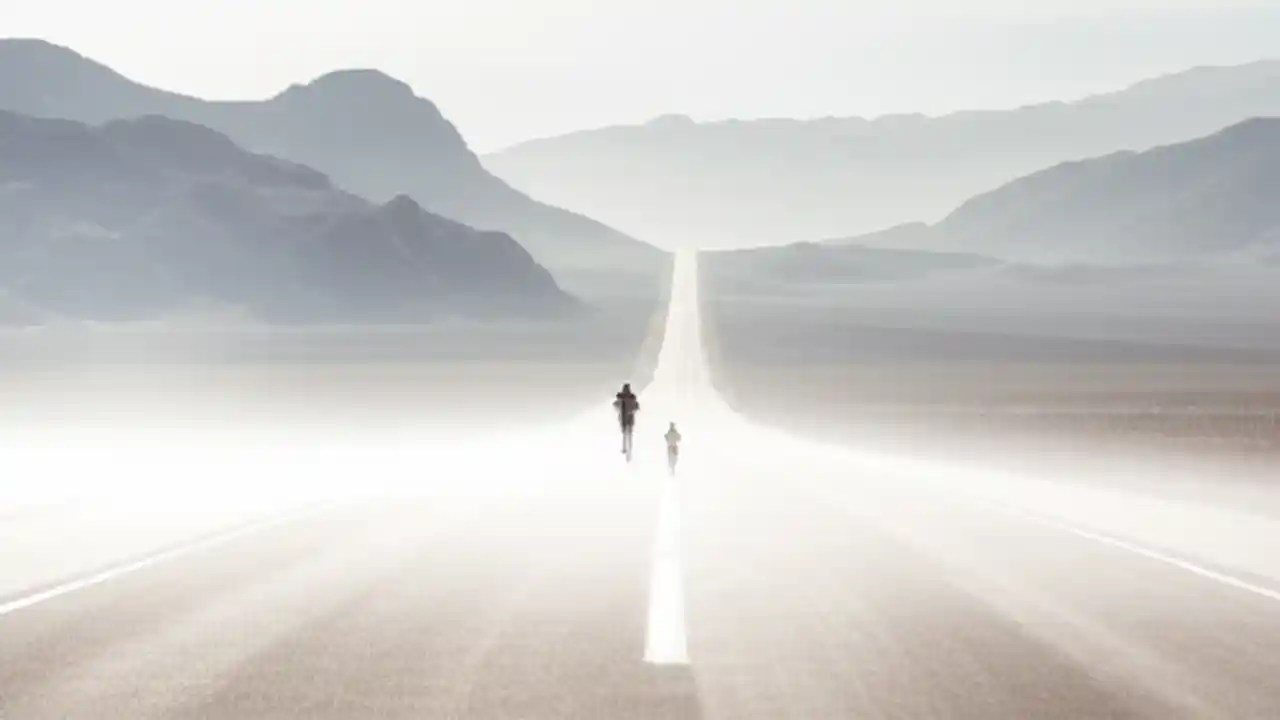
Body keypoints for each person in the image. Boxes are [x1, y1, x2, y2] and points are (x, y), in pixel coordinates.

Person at [613, 383, 640, 458]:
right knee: (629, 434)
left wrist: (618, 410)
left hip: (623, 418)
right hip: (630, 418)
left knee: (624, 434)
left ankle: (625, 448)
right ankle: (629, 449)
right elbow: (637, 406)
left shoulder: (621, 397)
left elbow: (615, 405)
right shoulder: (632, 397)